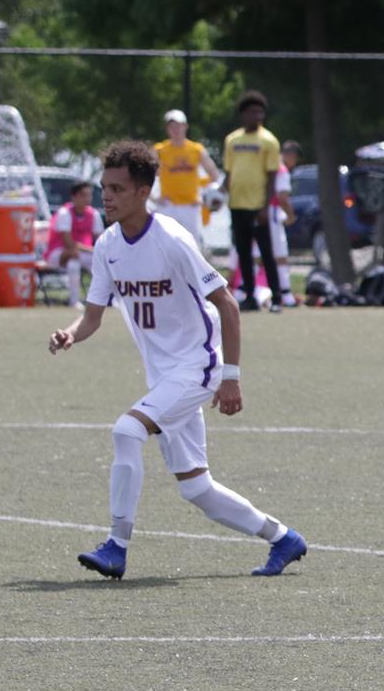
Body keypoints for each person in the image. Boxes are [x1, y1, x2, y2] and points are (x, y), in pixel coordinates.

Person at [46, 139, 307, 581]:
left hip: (198, 367)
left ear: (143, 192)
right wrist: (70, 334)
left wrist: (231, 377)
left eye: (117, 189)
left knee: (127, 430)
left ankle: (116, 546)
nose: (106, 196)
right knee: (197, 488)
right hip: (164, 376)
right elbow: (93, 315)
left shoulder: (171, 239)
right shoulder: (108, 244)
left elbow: (227, 303)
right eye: (103, 187)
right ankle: (283, 538)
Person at [219, 91, 284, 312]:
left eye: (260, 112)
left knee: (266, 253)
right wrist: (219, 195)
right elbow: (229, 173)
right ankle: (250, 297)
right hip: (237, 205)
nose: (257, 116)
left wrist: (266, 206)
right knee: (244, 254)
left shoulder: (269, 141)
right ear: (243, 114)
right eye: (253, 112)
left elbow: (272, 176)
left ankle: (276, 298)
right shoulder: (232, 140)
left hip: (258, 207)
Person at [153, 109, 219, 249]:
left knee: (191, 246)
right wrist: (154, 198)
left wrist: (202, 190)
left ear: (185, 127)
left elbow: (213, 173)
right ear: (167, 129)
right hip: (168, 205)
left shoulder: (196, 149)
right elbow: (143, 176)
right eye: (172, 126)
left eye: (179, 125)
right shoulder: (160, 149)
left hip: (190, 205)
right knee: (165, 246)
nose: (175, 130)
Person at [45, 181, 104, 305]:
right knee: (73, 263)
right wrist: (93, 250)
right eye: (83, 195)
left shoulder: (94, 214)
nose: (87, 199)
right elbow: (69, 244)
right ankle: (74, 301)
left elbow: (100, 240)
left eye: (89, 195)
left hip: (81, 253)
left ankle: (103, 300)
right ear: (74, 197)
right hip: (58, 253)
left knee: (101, 263)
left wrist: (99, 253)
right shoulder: (64, 213)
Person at [267, 140, 300, 308]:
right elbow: (282, 198)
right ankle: (285, 293)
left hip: (260, 211)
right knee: (280, 255)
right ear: (291, 156)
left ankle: (248, 290)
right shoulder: (282, 170)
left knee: (259, 255)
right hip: (272, 212)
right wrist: (291, 216)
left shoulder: (270, 165)